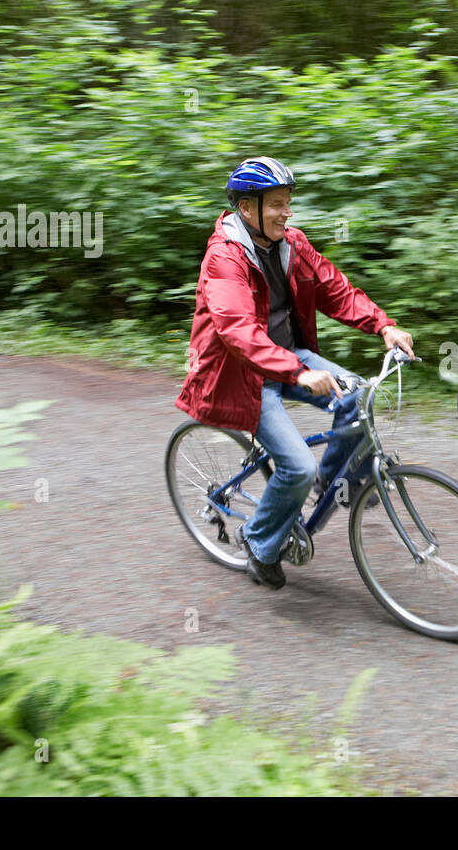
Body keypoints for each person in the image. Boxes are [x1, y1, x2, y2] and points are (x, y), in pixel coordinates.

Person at [176, 157, 414, 590]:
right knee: (297, 467)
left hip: (289, 358)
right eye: (278, 204)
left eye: (288, 202)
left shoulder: (291, 243)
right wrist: (298, 372)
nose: (287, 212)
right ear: (247, 209)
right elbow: (238, 331)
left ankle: (338, 479)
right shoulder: (223, 260)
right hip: (245, 376)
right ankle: (259, 542)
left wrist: (383, 324)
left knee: (359, 396)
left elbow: (334, 289)